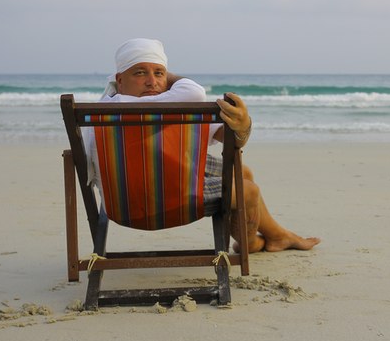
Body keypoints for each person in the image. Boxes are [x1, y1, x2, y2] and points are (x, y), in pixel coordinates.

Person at [85, 38, 320, 254]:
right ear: (119, 81)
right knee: (248, 190)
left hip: (121, 204)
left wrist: (243, 125)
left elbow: (232, 139)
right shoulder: (134, 105)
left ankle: (275, 237)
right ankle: (254, 242)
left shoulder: (106, 110)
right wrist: (166, 74)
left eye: (158, 74)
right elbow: (194, 91)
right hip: (166, 203)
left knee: (242, 172)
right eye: (139, 73)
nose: (152, 82)